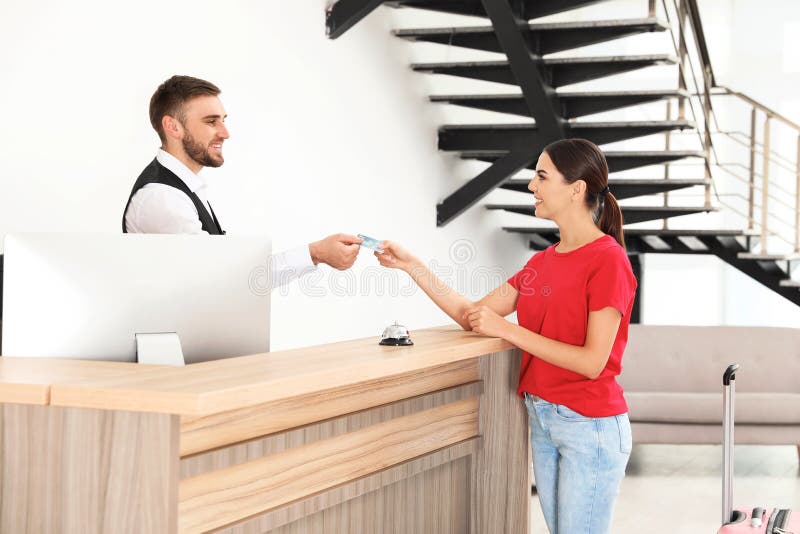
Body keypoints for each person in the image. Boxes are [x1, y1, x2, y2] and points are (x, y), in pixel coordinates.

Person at [375, 138, 637, 534]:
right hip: (544, 417)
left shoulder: (608, 260)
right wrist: (413, 266)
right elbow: (473, 316)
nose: (532, 186)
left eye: (542, 176)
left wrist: (509, 331)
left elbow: (591, 361)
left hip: (590, 425)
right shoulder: (542, 262)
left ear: (576, 189)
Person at [123, 75, 362, 285]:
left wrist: (315, 253)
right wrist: (316, 253)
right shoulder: (163, 198)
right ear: (173, 127)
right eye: (210, 121)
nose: (225, 133)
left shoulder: (183, 187)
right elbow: (225, 278)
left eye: (223, 120)